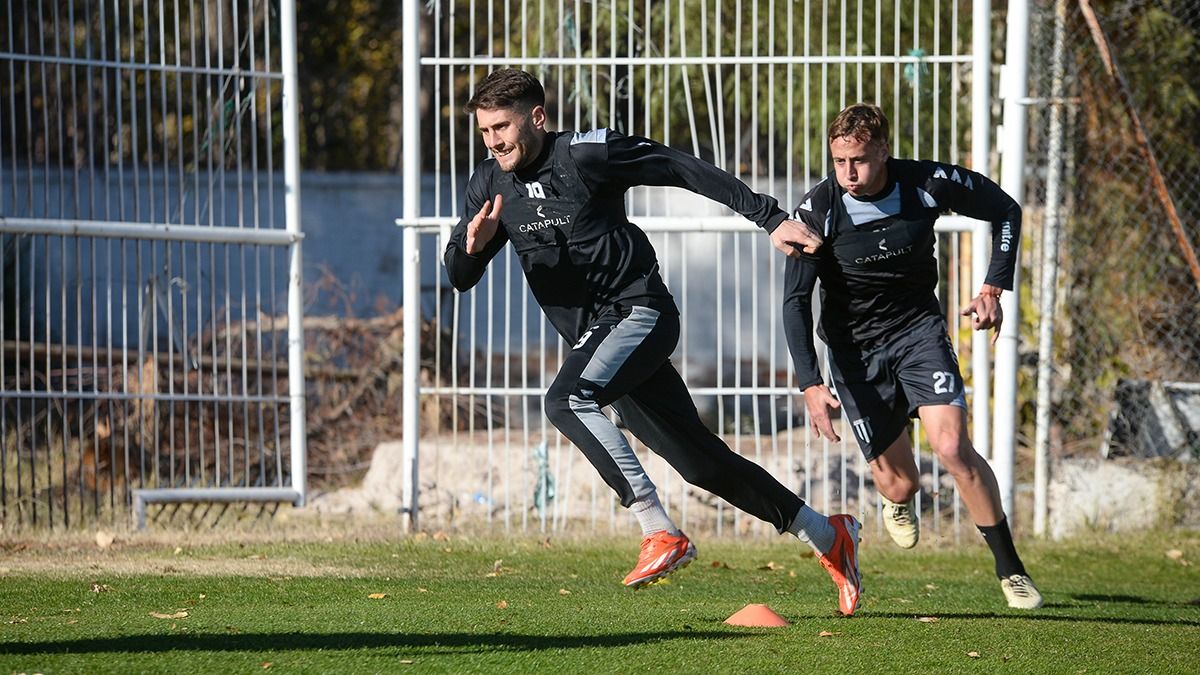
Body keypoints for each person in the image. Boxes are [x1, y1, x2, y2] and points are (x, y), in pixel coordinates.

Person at [443, 68, 863, 615]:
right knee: (702, 464)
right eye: (484, 131)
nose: (493, 141)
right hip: (600, 343)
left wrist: (769, 216)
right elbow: (459, 276)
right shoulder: (489, 182)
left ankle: (657, 528)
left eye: (502, 127)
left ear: (537, 118)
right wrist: (473, 248)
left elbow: (679, 166)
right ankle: (829, 534)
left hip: (639, 313)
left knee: (566, 400)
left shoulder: (587, 154)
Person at [782, 102, 1043, 609]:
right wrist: (810, 383)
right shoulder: (819, 210)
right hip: (856, 353)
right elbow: (795, 301)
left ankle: (1011, 569)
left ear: (883, 151)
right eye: (839, 162)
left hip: (918, 334)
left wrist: (992, 288)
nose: (849, 174)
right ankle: (899, 500)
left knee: (952, 447)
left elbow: (1005, 210)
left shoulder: (926, 183)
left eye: (859, 160)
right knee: (901, 485)